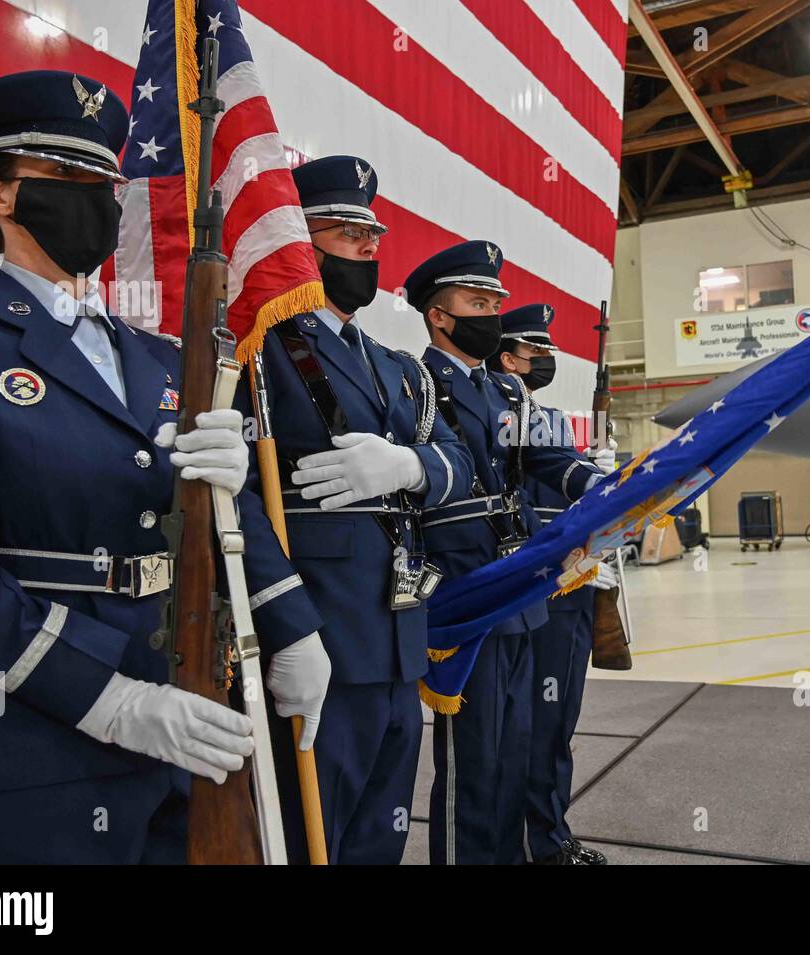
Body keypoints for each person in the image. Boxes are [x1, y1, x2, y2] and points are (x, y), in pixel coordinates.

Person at [0, 70, 329, 864]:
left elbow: (206, 510)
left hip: (174, 722)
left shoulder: (160, 359)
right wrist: (107, 699)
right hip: (23, 744)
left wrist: (291, 620)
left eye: (104, 179)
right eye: (67, 178)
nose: (95, 199)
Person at [241, 155, 472, 864]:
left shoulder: (397, 365)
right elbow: (234, 495)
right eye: (346, 232)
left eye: (372, 234)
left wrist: (411, 464)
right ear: (298, 240)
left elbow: (457, 462)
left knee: (381, 835)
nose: (368, 247)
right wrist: (288, 626)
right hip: (321, 632)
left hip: (399, 637)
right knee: (314, 836)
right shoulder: (261, 347)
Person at [404, 243, 611, 864]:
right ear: (440, 316)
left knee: (518, 744)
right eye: (478, 302)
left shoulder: (508, 393)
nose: (492, 312)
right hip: (464, 587)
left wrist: (599, 485)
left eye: (495, 301)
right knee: (474, 762)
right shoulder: (415, 381)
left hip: (520, 589)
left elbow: (544, 460)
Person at [486, 304, 615, 865]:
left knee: (558, 724)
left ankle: (550, 834)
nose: (545, 363)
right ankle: (532, 841)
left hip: (573, 589)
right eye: (536, 354)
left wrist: (600, 476)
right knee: (530, 728)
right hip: (539, 588)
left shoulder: (552, 420)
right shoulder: (490, 415)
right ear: (508, 357)